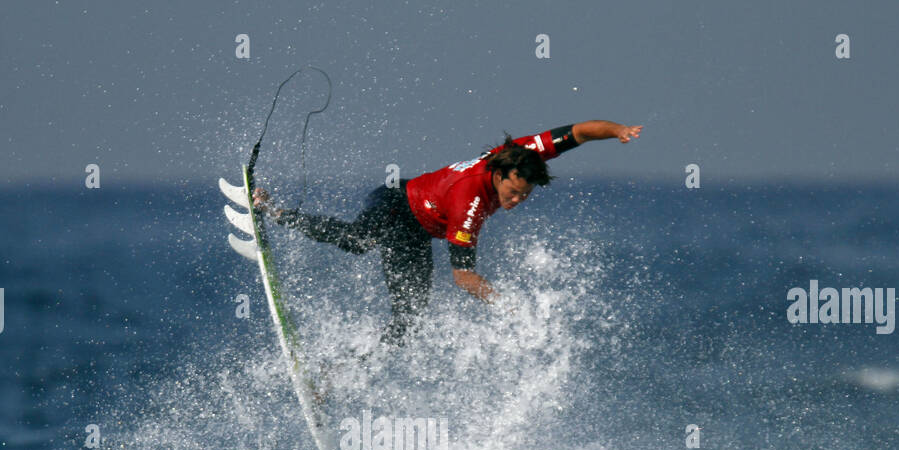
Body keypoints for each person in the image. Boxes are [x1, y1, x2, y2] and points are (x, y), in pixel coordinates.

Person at [254, 120, 642, 344]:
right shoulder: (469, 203)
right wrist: (512, 310)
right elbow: (463, 277)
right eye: (512, 192)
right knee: (358, 240)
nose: (517, 200)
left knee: (408, 322)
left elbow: (577, 133)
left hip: (419, 228)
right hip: (398, 207)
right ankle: (271, 209)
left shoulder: (521, 155)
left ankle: (331, 378)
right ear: (499, 175)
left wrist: (617, 130)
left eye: (524, 195)